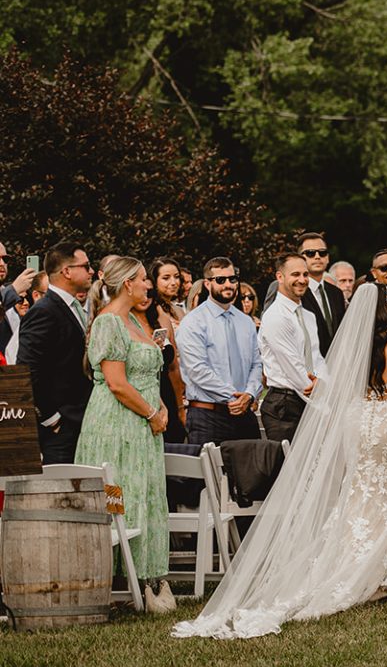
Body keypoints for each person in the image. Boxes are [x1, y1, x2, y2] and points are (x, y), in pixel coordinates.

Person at [173, 284, 387, 638]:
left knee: (357, 496)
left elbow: (337, 385)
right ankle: (377, 578)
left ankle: (358, 570)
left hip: (358, 421)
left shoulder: (352, 344)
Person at [75, 257, 174, 612]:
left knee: (143, 493)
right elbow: (116, 383)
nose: (149, 285)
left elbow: (145, 373)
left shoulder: (136, 321)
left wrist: (160, 406)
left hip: (144, 422)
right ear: (127, 284)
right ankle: (119, 581)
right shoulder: (108, 324)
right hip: (117, 422)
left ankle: (145, 579)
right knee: (123, 496)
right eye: (144, 279)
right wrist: (150, 413)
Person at [17, 242, 94, 463]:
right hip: (60, 428)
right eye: (86, 265)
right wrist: (52, 418)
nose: (91, 271)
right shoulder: (44, 311)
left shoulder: (74, 307)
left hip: (81, 420)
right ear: (66, 271)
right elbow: (27, 369)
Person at [177, 257, 264, 447]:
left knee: (254, 474)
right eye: (221, 280)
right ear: (208, 284)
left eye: (232, 279)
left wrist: (249, 395)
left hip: (244, 414)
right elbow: (197, 370)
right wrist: (235, 397)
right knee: (208, 476)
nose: (228, 285)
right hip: (208, 416)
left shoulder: (245, 322)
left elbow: (257, 364)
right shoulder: (193, 322)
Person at [258, 253, 329, 445]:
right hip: (284, 405)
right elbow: (292, 366)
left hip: (312, 399)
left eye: (305, 275)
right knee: (289, 469)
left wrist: (324, 383)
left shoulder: (308, 316)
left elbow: (316, 358)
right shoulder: (275, 317)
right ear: (280, 277)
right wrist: (320, 393)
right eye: (295, 274)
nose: (302, 280)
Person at [266, 233, 347, 354]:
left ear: (328, 258)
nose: (317, 256)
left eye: (322, 252)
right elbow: (272, 332)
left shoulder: (336, 293)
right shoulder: (283, 287)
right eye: (310, 253)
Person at [147, 256, 188, 443]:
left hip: (183, 376)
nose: (174, 282)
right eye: (166, 278)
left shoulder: (178, 310)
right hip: (163, 380)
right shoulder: (150, 311)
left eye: (177, 277)